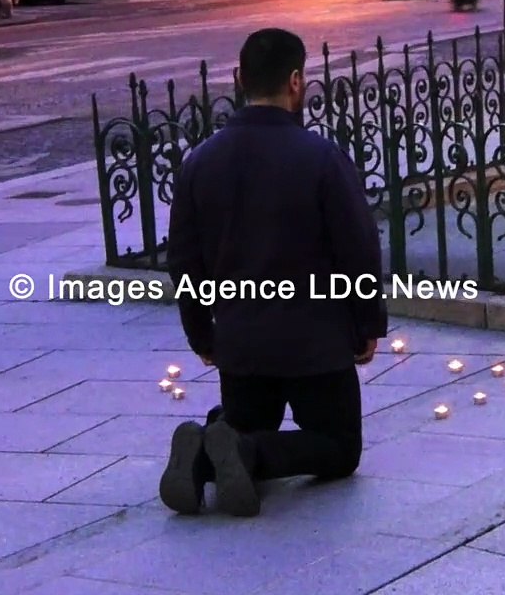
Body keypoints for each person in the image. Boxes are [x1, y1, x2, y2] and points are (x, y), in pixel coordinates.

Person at [160, 27, 387, 518]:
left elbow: (185, 261)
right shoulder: (321, 157)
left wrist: (203, 335)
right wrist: (366, 326)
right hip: (317, 346)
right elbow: (358, 249)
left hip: (241, 349)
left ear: (239, 77)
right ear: (296, 81)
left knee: (244, 421)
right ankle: (247, 453)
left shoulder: (200, 162)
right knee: (337, 446)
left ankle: (207, 452)